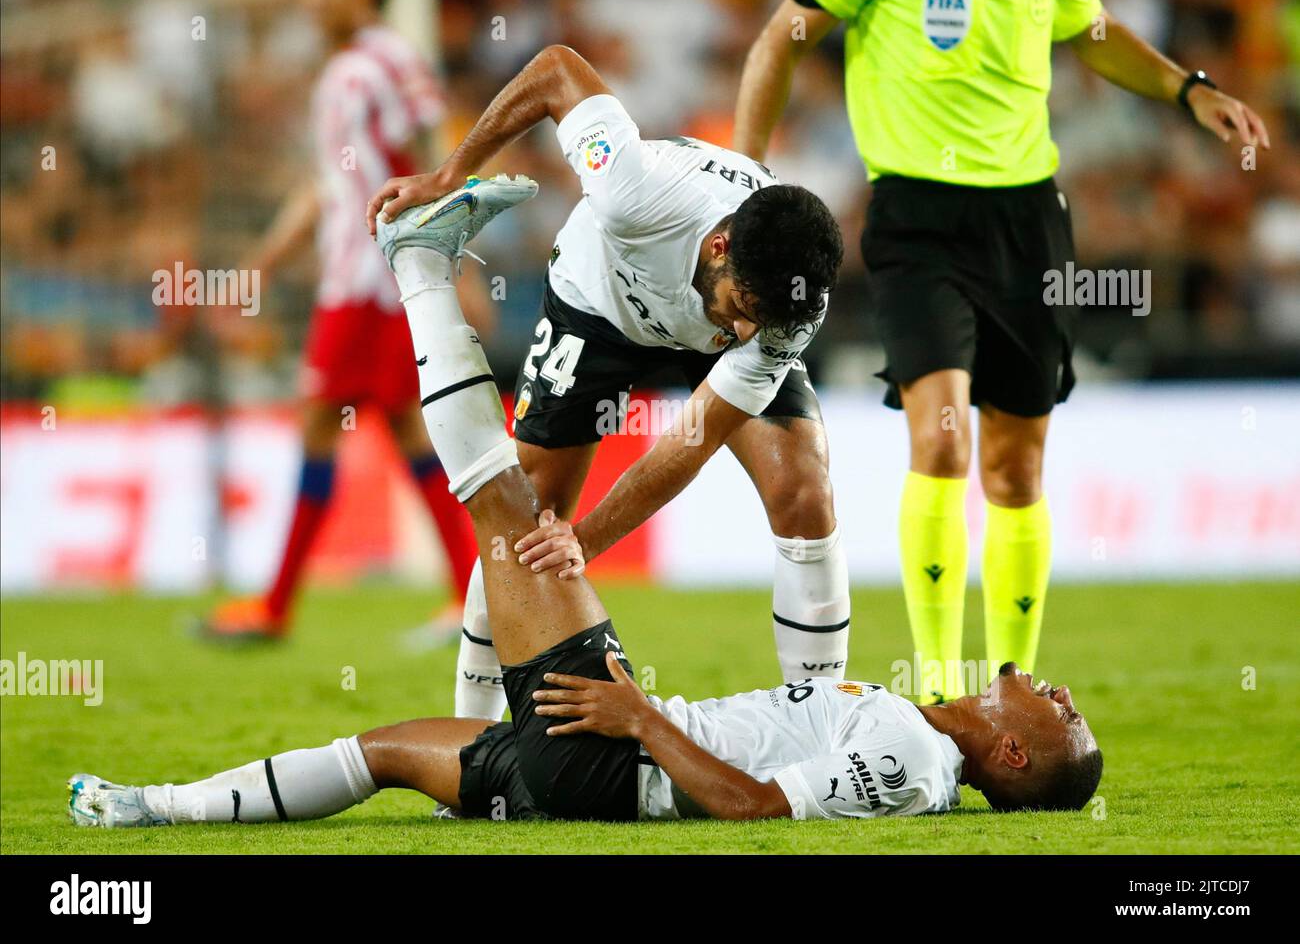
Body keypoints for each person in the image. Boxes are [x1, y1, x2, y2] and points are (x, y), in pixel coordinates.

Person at [68, 178, 1101, 825]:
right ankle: (146, 804)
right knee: (377, 753)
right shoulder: (912, 736)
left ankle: (422, 266)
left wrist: (638, 715)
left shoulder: (916, 761)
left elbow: (752, 807)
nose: (1056, 687)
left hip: (610, 759)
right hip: (593, 765)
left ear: (1010, 755)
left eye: (1059, 712)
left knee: (512, 519)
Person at [733, 0, 1271, 702]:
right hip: (916, 220)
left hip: (1027, 222)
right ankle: (937, 695)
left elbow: (1094, 32)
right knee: (942, 442)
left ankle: (1013, 691)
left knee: (1017, 470)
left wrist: (1187, 90)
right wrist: (744, 173)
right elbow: (782, 38)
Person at [365, 44, 850, 723]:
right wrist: (451, 171)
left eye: (760, 324)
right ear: (718, 248)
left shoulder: (787, 305)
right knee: (526, 517)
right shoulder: (635, 191)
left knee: (804, 490)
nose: (743, 336)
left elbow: (693, 437)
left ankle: (826, 719)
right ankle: (470, 734)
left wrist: (588, 543)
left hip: (689, 309)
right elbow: (558, 69)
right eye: (743, 310)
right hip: (601, 304)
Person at [199, 0, 482, 643]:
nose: (307, 2)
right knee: (405, 426)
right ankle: (468, 595)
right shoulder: (344, 71)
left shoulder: (386, 61)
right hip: (353, 275)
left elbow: (439, 160)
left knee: (328, 418)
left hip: (372, 280)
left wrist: (452, 253)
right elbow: (329, 187)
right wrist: (263, 263)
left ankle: (275, 608)